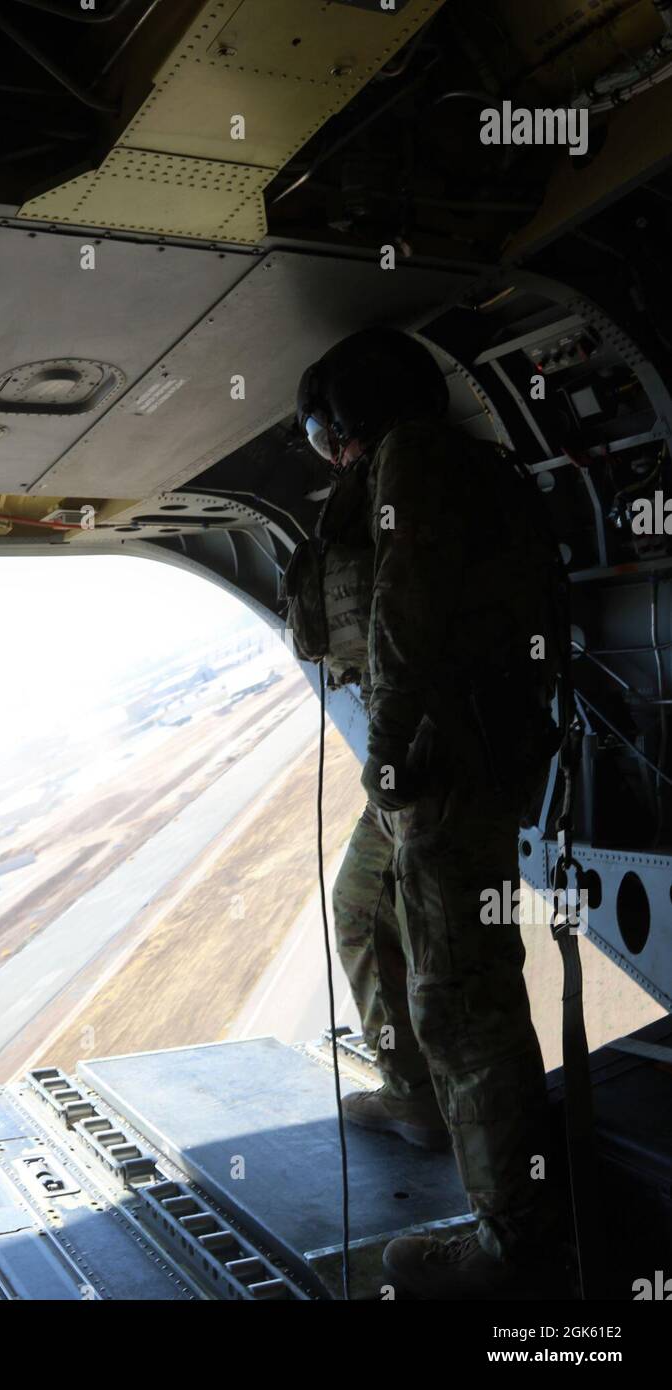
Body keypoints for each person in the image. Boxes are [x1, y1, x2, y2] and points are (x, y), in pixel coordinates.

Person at [295, 328, 566, 1299]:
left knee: (459, 986)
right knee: (362, 905)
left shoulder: (413, 455)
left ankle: (515, 1240)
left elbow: (405, 616)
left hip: (437, 761)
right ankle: (412, 1091)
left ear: (346, 419)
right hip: (436, 754)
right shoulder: (443, 465)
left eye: (326, 430)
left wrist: (385, 752)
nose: (326, 450)